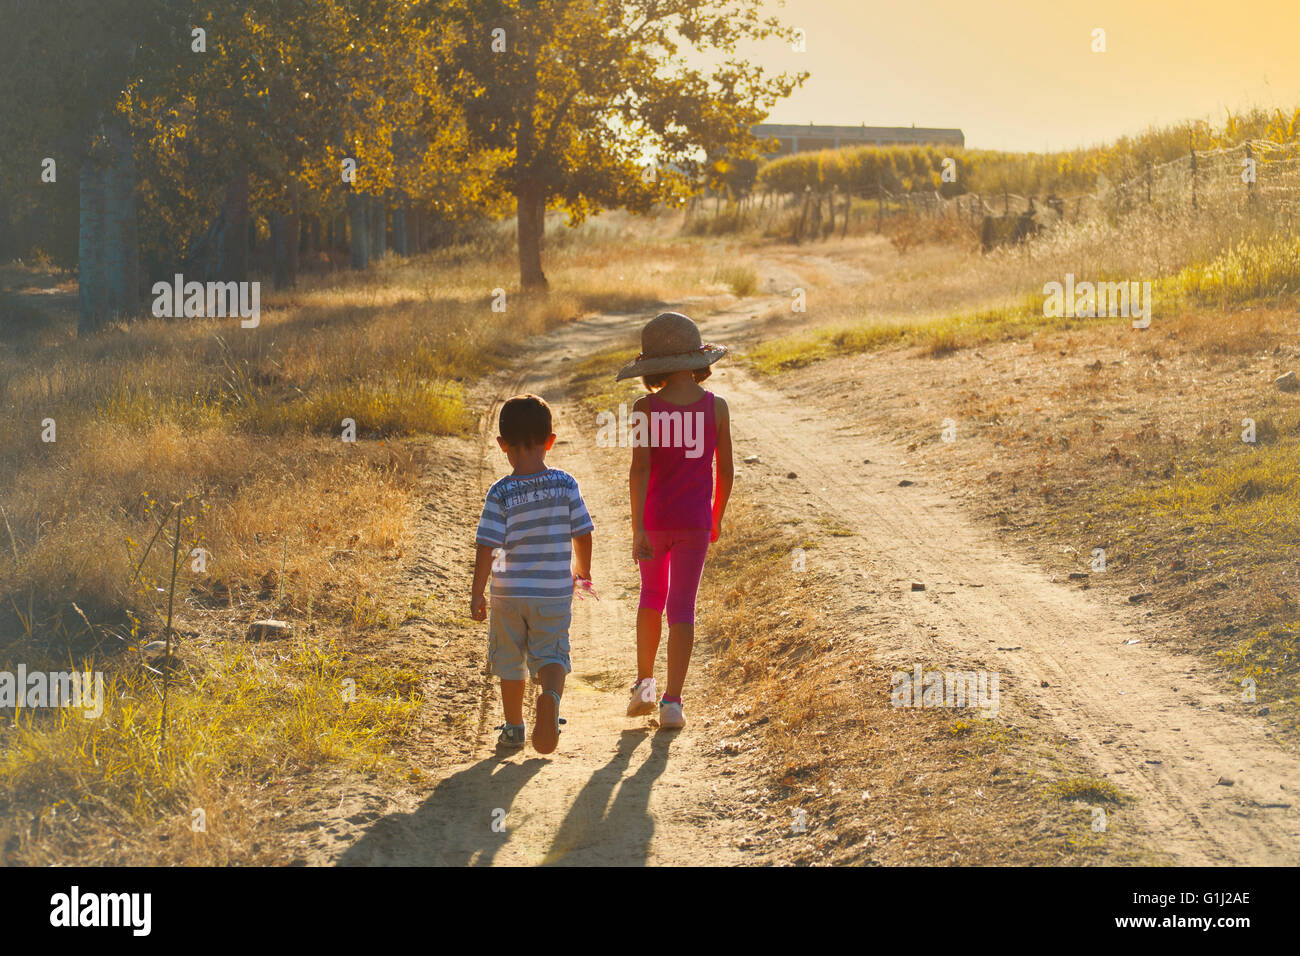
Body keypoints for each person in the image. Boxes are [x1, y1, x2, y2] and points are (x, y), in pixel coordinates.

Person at [615, 312, 733, 730]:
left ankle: (644, 687)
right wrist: (715, 517)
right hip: (695, 523)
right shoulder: (715, 407)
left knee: (651, 596)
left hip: (656, 520)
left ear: (653, 366)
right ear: (697, 358)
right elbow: (726, 471)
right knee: (682, 606)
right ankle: (673, 703)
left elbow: (639, 470)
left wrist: (638, 528)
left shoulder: (644, 408)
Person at [471, 394, 593, 754]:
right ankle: (550, 700)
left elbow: (488, 547)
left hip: (508, 594)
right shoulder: (565, 485)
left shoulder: (500, 493)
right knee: (552, 654)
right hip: (552, 592)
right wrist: (581, 572)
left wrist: (478, 592)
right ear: (550, 441)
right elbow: (583, 532)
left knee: (511, 660)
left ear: (502, 445)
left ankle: (514, 728)